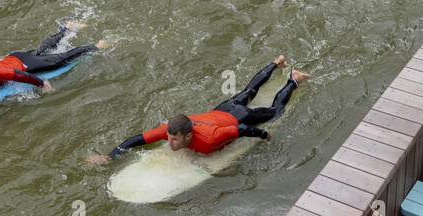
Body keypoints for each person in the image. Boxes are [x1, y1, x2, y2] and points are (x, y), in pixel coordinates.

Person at [89, 55, 309, 162]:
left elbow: (241, 129)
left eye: (175, 140)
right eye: (169, 138)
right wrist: (110, 156)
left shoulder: (210, 138)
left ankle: (293, 80)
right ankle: (275, 62)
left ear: (188, 136)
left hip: (238, 117)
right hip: (223, 109)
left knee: (274, 112)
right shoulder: (170, 131)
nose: (170, 142)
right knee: (248, 91)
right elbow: (137, 140)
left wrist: (264, 134)